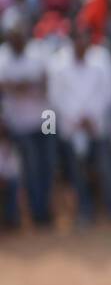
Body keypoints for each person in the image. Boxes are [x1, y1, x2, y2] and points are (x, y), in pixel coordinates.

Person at [47, 25, 111, 227]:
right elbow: (55, 98)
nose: (81, 44)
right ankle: (84, 213)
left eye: (85, 40)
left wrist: (93, 117)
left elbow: (110, 93)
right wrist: (77, 119)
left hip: (98, 127)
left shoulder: (102, 60)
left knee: (107, 170)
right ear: (71, 42)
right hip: (72, 128)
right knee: (77, 174)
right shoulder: (58, 64)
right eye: (77, 40)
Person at [0, 12, 55, 226]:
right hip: (20, 123)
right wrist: (21, 85)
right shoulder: (3, 56)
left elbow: (46, 81)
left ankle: (46, 210)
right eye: (13, 34)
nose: (17, 38)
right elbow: (4, 86)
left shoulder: (38, 51)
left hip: (46, 118)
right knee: (31, 169)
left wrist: (21, 85)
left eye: (19, 33)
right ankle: (38, 213)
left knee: (49, 165)